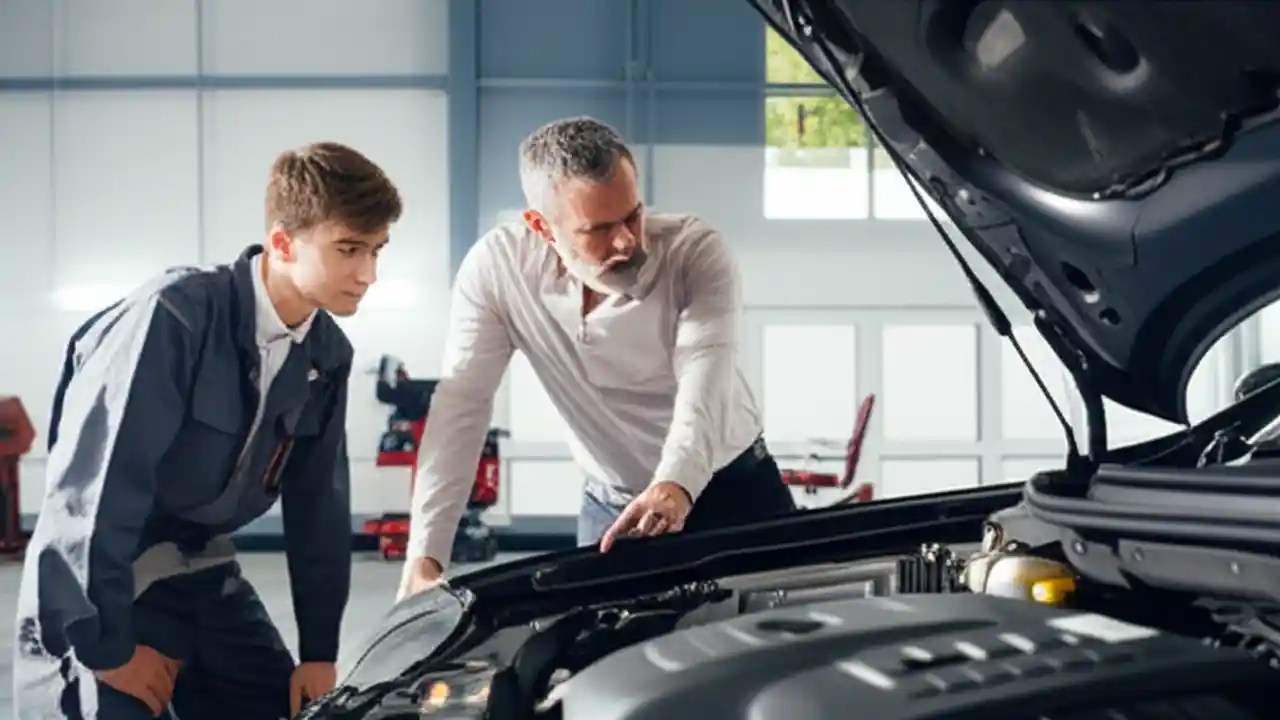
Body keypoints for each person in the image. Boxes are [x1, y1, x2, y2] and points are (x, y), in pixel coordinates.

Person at [13, 142, 402, 719]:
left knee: (294, 708)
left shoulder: (326, 355)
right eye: (348, 249)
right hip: (104, 577)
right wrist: (106, 649)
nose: (368, 273)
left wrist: (319, 652)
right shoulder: (174, 319)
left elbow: (318, 505)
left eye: (376, 250)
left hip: (204, 569)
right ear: (282, 242)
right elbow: (93, 495)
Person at [397, 116, 796, 600]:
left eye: (632, 215)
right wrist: (425, 557)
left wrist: (675, 484)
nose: (627, 241)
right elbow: (460, 408)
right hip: (611, 509)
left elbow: (704, 375)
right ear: (540, 226)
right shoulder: (497, 271)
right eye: (599, 229)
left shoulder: (695, 253)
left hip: (732, 492)